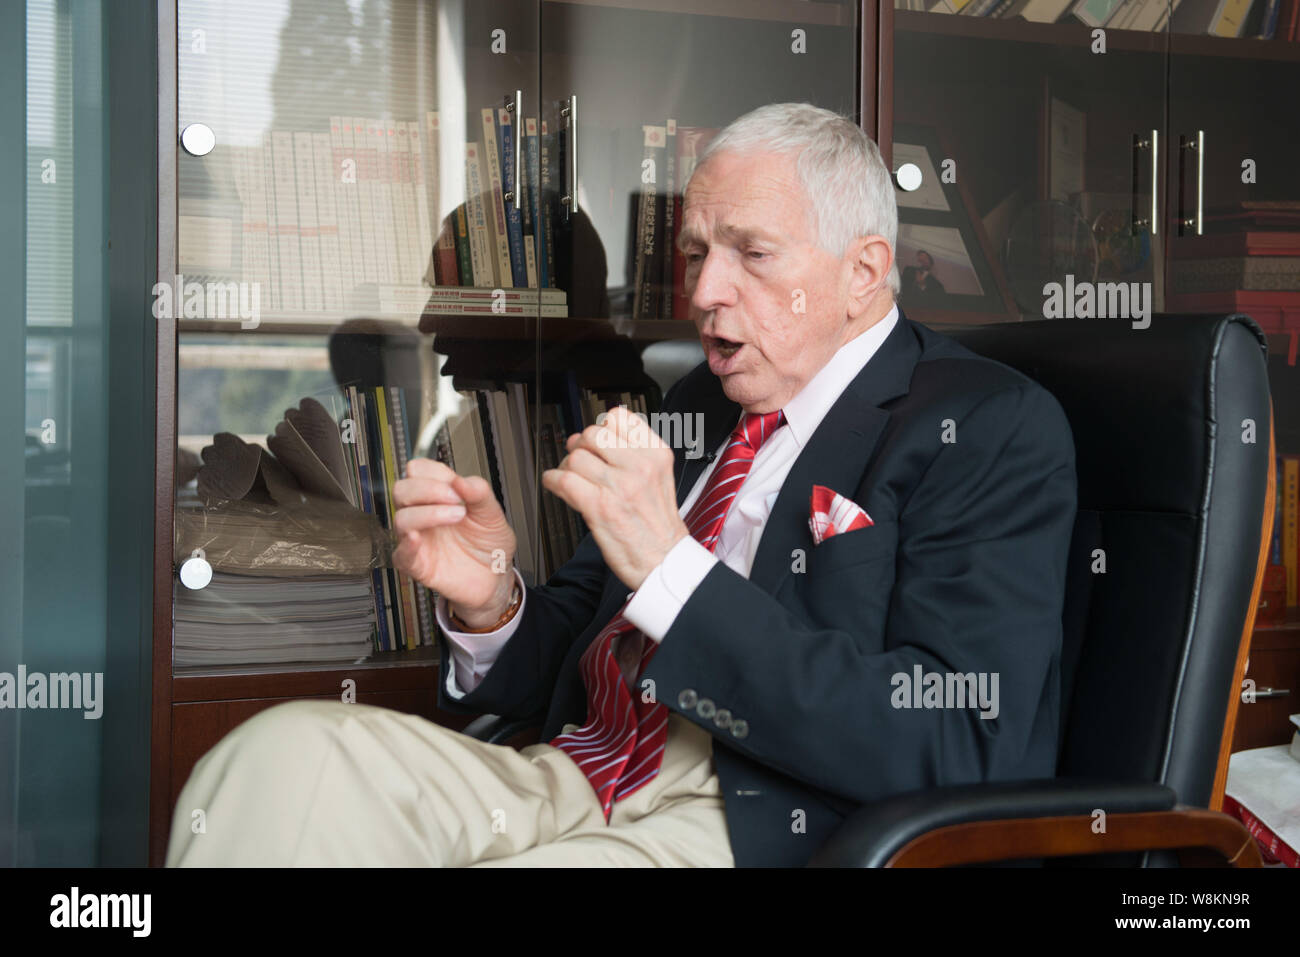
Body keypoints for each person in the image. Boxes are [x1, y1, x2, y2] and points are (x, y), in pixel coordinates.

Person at [166, 102, 1077, 868]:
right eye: (694, 252)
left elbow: (961, 742)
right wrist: (491, 604)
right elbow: (579, 640)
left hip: (764, 812)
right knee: (276, 760)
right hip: (576, 770)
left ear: (863, 272)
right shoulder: (697, 402)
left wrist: (673, 568)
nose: (705, 291)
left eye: (751, 254)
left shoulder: (987, 427)